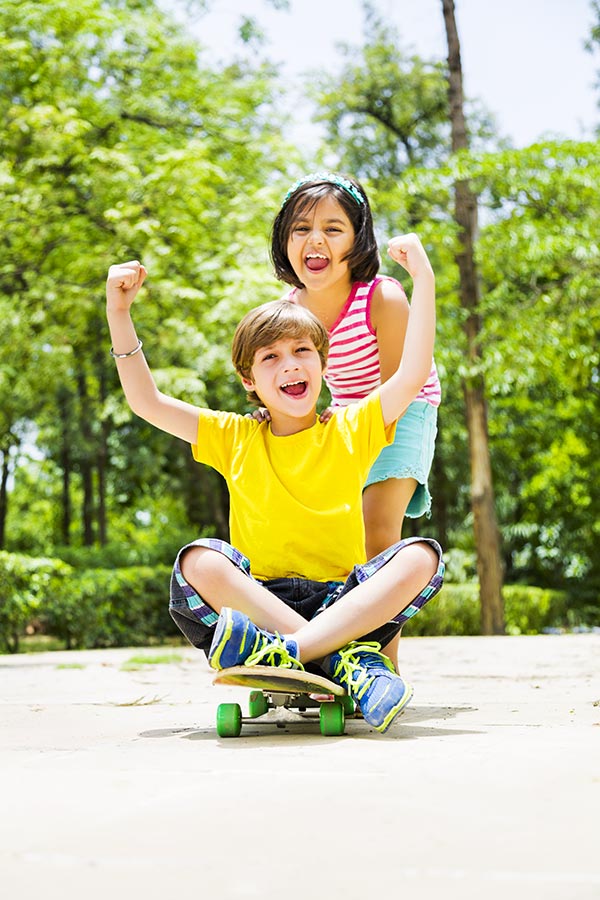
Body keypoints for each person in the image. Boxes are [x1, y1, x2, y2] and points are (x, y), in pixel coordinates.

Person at [105, 232, 444, 734]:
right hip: (260, 603)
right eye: (270, 358)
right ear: (249, 380)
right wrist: (119, 312)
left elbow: (413, 372)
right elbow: (146, 402)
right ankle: (339, 660)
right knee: (198, 560)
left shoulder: (354, 427)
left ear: (323, 365)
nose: (290, 364)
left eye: (302, 351)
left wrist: (425, 280)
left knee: (422, 556)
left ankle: (289, 654)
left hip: (341, 603)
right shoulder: (233, 435)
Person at [270, 171, 442, 668]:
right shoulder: (288, 310)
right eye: (301, 229)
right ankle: (332, 649)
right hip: (346, 413)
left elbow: (401, 385)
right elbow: (291, 382)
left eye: (333, 228)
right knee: (334, 538)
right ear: (285, 241)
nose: (315, 239)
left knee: (378, 532)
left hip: (403, 408)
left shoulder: (380, 296)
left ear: (357, 240)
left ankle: (380, 665)